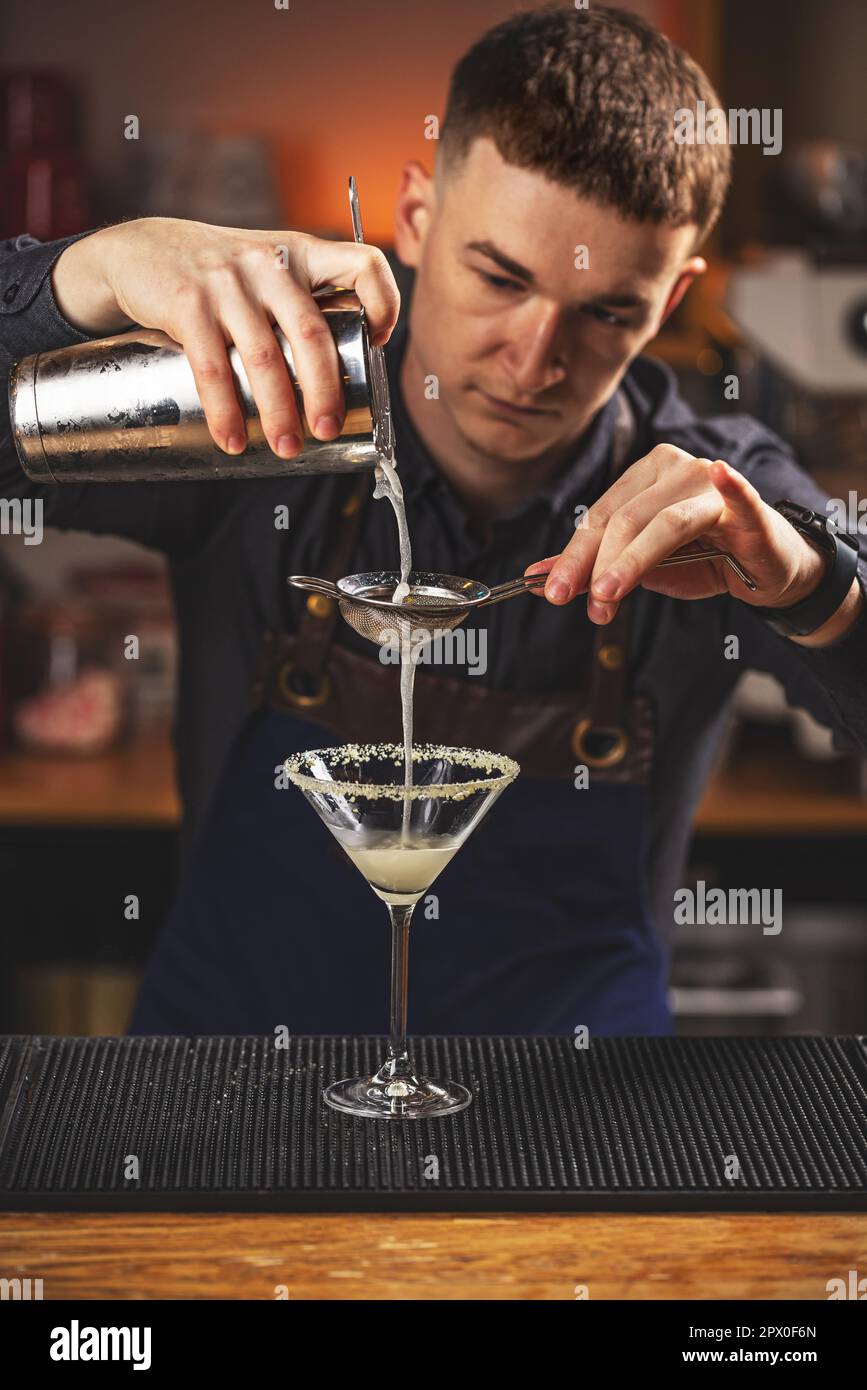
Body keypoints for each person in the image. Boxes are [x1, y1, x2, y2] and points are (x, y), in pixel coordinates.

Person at [0, 5, 864, 1037]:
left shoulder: (713, 501)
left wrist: (813, 585)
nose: (534, 361)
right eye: (499, 276)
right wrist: (82, 274)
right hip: (226, 1084)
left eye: (606, 313)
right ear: (414, 219)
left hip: (576, 1117)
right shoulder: (257, 417)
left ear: (673, 297)